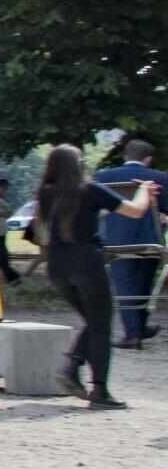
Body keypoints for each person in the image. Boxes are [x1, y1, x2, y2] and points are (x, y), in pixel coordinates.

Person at [35, 144, 153, 409]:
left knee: (93, 320)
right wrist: (145, 190)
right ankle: (99, 390)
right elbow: (135, 211)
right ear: (79, 165)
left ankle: (73, 366)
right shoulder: (90, 190)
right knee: (100, 326)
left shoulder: (45, 193)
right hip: (86, 260)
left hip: (56, 264)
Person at [90, 139, 165, 346]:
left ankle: (134, 333)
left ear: (125, 156)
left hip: (117, 239)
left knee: (124, 284)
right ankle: (138, 328)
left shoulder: (104, 177)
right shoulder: (159, 178)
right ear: (148, 159)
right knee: (144, 283)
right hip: (149, 240)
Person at [0, 176, 24, 286]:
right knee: (2, 257)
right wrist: (2, 214)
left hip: (0, 231)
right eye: (3, 189)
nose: (4, 191)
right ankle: (13, 277)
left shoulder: (1, 199)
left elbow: (8, 212)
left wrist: (5, 214)